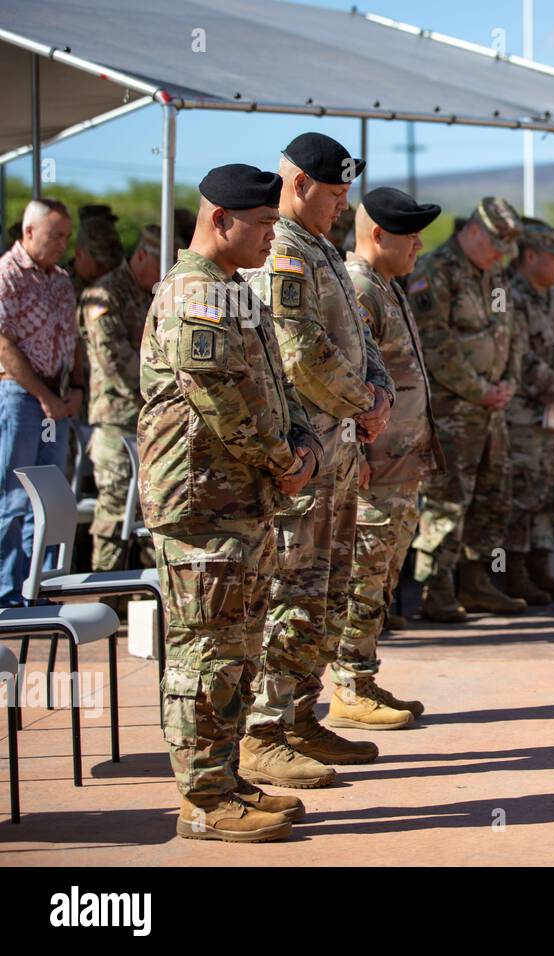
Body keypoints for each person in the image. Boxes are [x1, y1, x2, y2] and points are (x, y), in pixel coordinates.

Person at [139, 163, 322, 841]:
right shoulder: (196, 292)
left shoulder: (232, 291)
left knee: (238, 647)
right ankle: (203, 801)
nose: (274, 239)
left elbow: (275, 383)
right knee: (205, 652)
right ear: (220, 220)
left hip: (240, 500)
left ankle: (223, 775)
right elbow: (217, 399)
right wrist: (283, 459)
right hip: (201, 506)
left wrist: (298, 442)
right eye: (264, 225)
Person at [239, 132, 396, 789]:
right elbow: (299, 353)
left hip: (337, 447)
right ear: (299, 183)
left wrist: (375, 395)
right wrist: (364, 401)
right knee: (292, 592)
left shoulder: (320, 249)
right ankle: (263, 732)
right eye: (334, 194)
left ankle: (300, 715)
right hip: (303, 452)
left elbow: (356, 336)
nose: (342, 207)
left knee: (324, 592)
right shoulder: (282, 252)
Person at [331, 187, 445, 730]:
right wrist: (359, 455)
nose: (419, 245)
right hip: (374, 470)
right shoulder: (359, 288)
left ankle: (362, 674)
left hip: (399, 467)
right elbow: (350, 382)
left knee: (380, 575)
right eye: (410, 235)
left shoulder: (386, 287)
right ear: (378, 235)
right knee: (363, 573)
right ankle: (349, 686)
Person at [408, 197, 526, 621]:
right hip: (453, 410)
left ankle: (478, 582)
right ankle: (436, 589)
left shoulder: (493, 275)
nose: (501, 254)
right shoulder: (436, 272)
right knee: (447, 501)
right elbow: (436, 344)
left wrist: (507, 380)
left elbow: (507, 329)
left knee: (494, 497)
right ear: (473, 231)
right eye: (496, 243)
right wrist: (478, 390)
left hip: (492, 409)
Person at [0, 198, 82, 606]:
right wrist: (43, 395)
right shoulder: (7, 274)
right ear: (29, 232)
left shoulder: (61, 280)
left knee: (48, 496)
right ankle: (6, 588)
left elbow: (74, 341)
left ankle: (39, 584)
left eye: (67, 236)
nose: (62, 244)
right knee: (14, 494)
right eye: (55, 236)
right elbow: (4, 345)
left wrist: (76, 388)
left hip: (57, 395)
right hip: (21, 396)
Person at [500, 217, 554, 605]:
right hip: (525, 414)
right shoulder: (512, 297)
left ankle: (540, 566)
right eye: (552, 257)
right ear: (529, 256)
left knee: (551, 492)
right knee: (523, 493)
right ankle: (514, 571)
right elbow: (520, 356)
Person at [80, 224, 169, 573]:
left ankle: (147, 608)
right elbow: (115, 361)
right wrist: (162, 392)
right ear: (142, 256)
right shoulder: (104, 295)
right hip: (117, 422)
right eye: (158, 267)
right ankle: (106, 607)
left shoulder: (152, 295)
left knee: (153, 513)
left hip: (148, 421)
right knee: (115, 516)